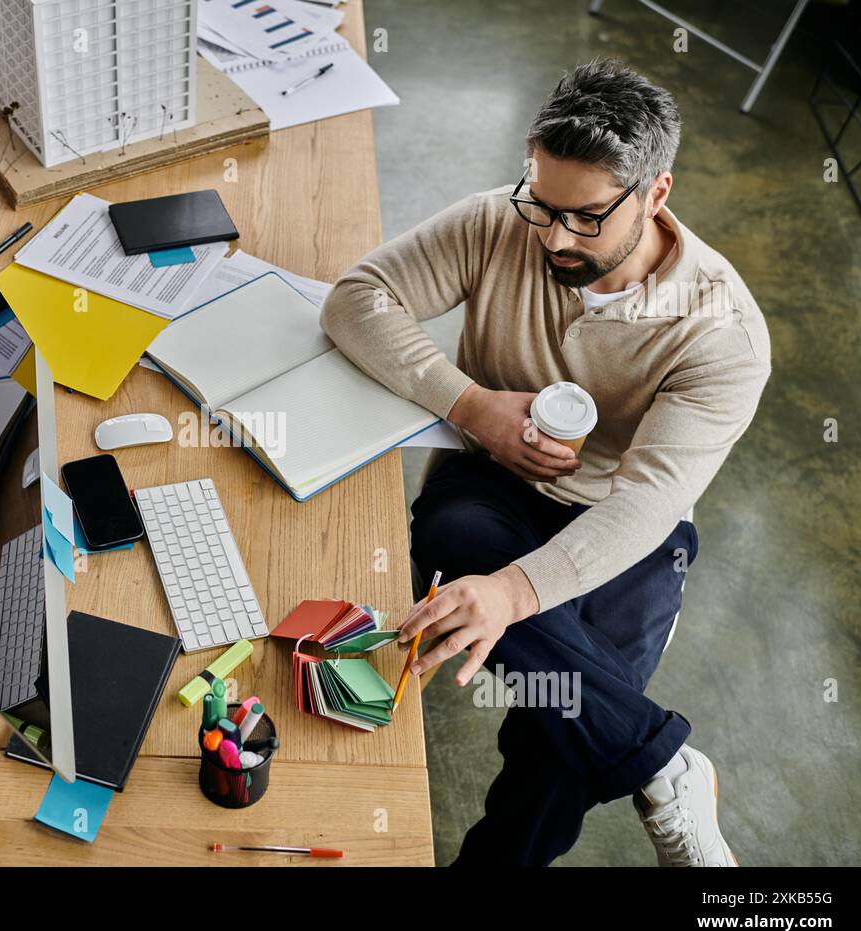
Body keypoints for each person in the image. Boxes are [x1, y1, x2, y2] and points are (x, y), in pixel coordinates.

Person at [319, 59, 771, 866]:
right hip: (491, 481)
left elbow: (647, 502)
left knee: (552, 729)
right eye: (542, 203)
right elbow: (357, 298)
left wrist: (513, 594)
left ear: (656, 194)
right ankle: (663, 763)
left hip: (622, 520)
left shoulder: (721, 334)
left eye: (588, 217)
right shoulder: (502, 219)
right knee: (460, 546)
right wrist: (471, 406)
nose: (554, 237)